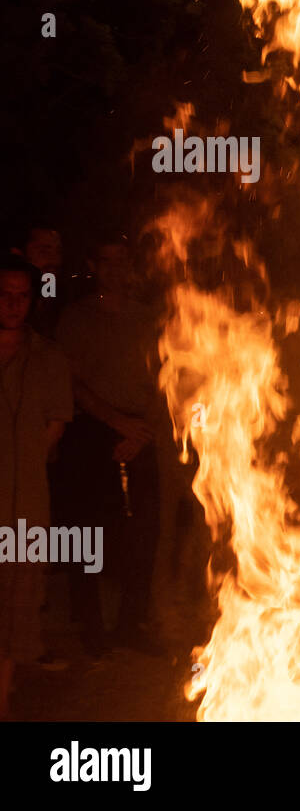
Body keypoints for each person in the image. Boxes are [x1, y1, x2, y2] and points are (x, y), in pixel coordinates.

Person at [52, 235, 165, 656]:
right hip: (94, 432)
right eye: (107, 261)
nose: (116, 269)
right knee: (90, 533)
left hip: (141, 433)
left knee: (143, 532)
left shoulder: (148, 318)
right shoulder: (77, 318)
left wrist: (142, 429)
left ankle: (131, 624)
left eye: (123, 261)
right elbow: (72, 382)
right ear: (93, 264)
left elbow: (167, 378)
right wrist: (115, 422)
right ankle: (92, 627)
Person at [0, 254, 74, 717]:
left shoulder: (47, 356)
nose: (13, 306)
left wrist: (21, 459)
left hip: (25, 501)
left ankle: (2, 699)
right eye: (4, 296)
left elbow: (56, 423)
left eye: (22, 297)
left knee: (18, 603)